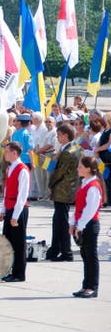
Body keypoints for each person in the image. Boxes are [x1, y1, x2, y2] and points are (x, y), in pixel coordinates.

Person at [70, 156, 104, 298]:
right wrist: (72, 223)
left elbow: (90, 209)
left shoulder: (93, 186)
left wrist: (80, 226)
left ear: (89, 169)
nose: (78, 169)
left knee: (91, 255)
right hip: (82, 224)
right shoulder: (84, 183)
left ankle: (92, 287)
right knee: (85, 255)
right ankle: (86, 285)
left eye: (81, 167)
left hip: (89, 225)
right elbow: (78, 206)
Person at [47, 123, 81, 261]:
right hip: (66, 189)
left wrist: (50, 185)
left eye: (59, 135)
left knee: (61, 222)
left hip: (63, 190)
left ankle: (66, 251)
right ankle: (55, 249)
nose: (58, 137)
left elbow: (59, 172)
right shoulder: (73, 148)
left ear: (66, 135)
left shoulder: (68, 152)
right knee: (58, 221)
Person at [0, 142, 30, 282]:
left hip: (18, 209)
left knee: (18, 243)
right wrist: (3, 209)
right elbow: (7, 191)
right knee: (8, 241)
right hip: (10, 207)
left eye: (7, 151)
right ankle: (10, 270)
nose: (5, 154)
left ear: (14, 153)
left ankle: (19, 273)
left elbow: (22, 195)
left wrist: (15, 216)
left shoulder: (22, 169)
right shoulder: (10, 168)